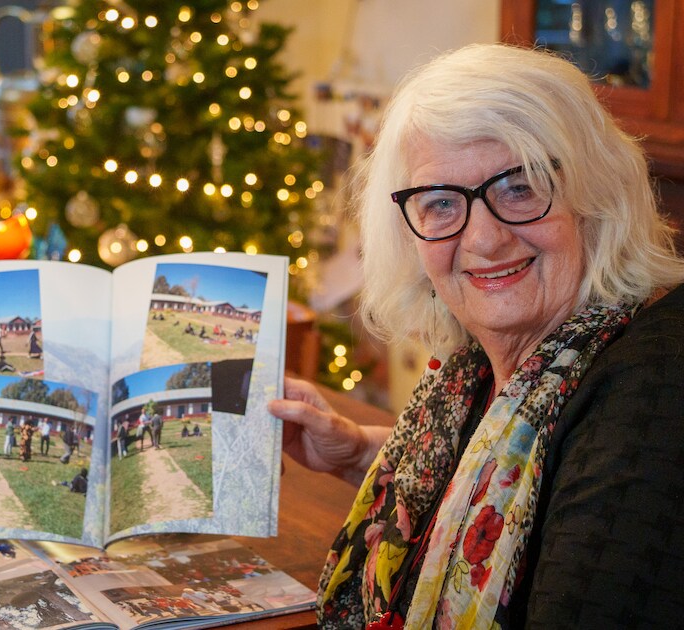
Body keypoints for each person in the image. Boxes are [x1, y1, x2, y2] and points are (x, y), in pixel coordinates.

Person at [269, 44, 684, 628]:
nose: (485, 239)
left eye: (521, 187)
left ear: (596, 194)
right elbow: (517, 483)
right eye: (441, 202)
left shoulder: (657, 383)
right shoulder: (483, 370)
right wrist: (362, 452)